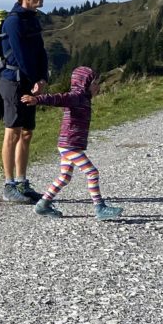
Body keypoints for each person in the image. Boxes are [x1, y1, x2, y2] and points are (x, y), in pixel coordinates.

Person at [21, 66, 122, 219]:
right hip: (69, 145)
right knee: (92, 172)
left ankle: (43, 205)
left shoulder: (84, 99)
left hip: (68, 144)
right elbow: (59, 98)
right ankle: (99, 207)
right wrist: (38, 99)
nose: (98, 86)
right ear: (84, 83)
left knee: (64, 177)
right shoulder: (77, 96)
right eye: (94, 83)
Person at [0, 0, 48, 203]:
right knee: (13, 131)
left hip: (29, 81)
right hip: (13, 82)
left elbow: (40, 52)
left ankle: (22, 182)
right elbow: (21, 56)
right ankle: (8, 185)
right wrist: (34, 80)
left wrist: (43, 78)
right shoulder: (13, 22)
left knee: (27, 132)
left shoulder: (32, 20)